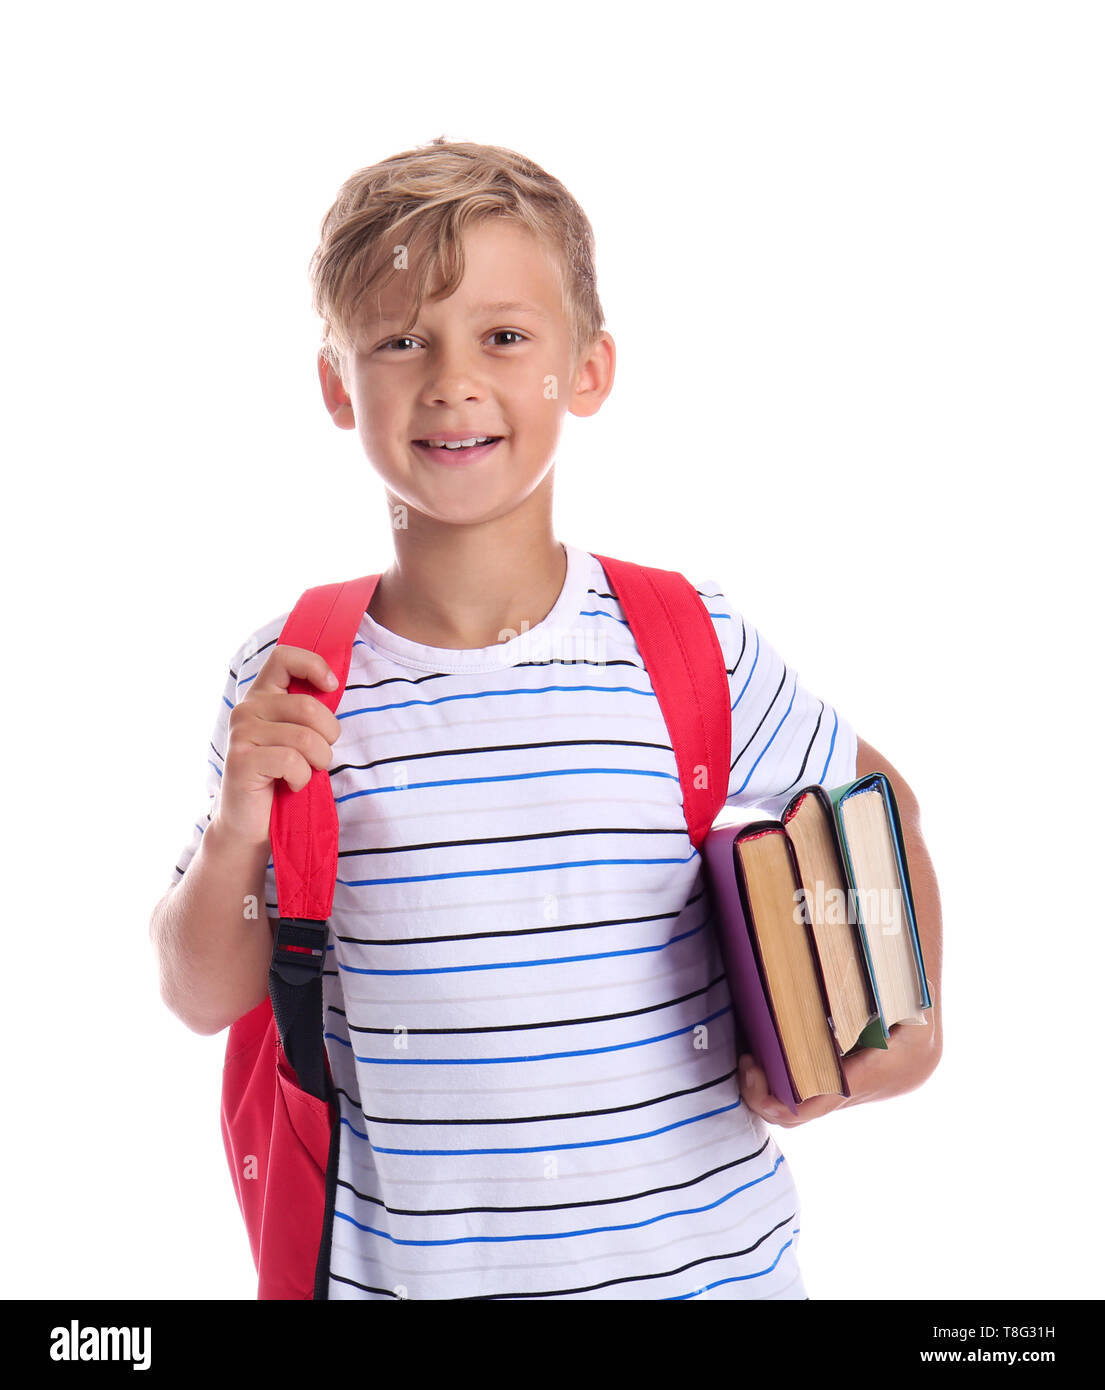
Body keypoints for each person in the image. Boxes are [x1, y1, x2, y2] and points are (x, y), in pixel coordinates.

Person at [149, 137, 942, 1300]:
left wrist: (893, 1019)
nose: (451, 379)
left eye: (503, 336)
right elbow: (200, 992)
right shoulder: (291, 676)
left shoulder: (687, 641)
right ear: (336, 382)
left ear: (587, 369)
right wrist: (235, 832)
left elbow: (878, 808)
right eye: (401, 339)